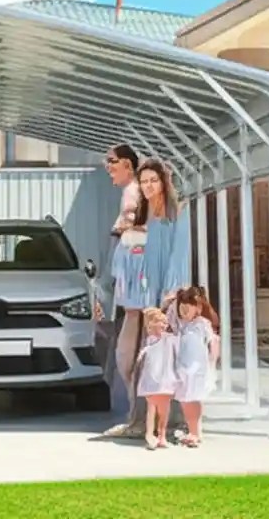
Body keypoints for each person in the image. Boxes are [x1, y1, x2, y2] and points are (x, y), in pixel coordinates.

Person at [105, 157, 193, 438]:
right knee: (127, 359)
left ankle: (168, 423)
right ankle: (138, 417)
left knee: (165, 361)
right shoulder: (140, 216)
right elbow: (125, 257)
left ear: (164, 182)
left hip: (163, 298)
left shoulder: (177, 213)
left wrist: (171, 295)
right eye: (144, 182)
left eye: (153, 180)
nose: (148, 186)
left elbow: (179, 255)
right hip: (136, 301)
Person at [96, 144, 141, 432]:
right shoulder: (128, 194)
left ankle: (137, 417)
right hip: (123, 290)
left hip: (131, 293)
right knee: (124, 354)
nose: (107, 167)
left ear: (127, 164)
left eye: (111, 161)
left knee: (127, 355)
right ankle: (134, 415)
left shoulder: (133, 194)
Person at [174, 287, 221, 447]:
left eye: (189, 306)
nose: (184, 310)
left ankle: (195, 432)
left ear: (198, 308)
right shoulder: (181, 325)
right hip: (183, 367)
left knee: (193, 398)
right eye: (182, 306)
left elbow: (214, 341)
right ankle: (193, 430)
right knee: (185, 400)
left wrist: (212, 361)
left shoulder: (202, 324)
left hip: (197, 368)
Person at [134, 307, 178, 450]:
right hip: (152, 378)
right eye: (161, 322)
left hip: (166, 378)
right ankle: (149, 434)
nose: (164, 325)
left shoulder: (169, 339)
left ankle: (162, 435)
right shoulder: (149, 341)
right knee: (151, 408)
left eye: (165, 323)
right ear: (151, 324)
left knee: (164, 409)